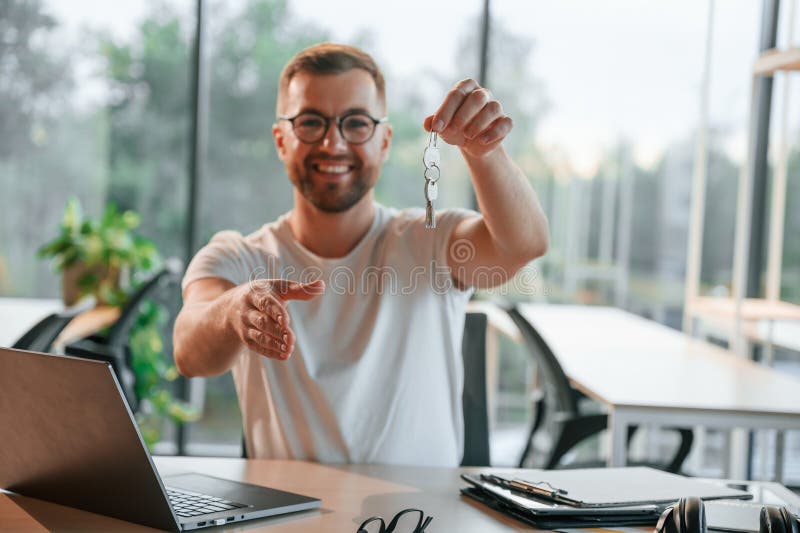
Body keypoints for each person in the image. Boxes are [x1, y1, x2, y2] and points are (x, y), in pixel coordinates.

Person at [173, 42, 548, 467]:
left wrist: (485, 151)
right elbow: (188, 352)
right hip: (287, 522)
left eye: (356, 123)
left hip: (421, 519)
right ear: (281, 140)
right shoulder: (237, 257)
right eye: (310, 122)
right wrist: (231, 312)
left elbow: (524, 245)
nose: (333, 143)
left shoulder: (432, 241)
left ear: (384, 142)